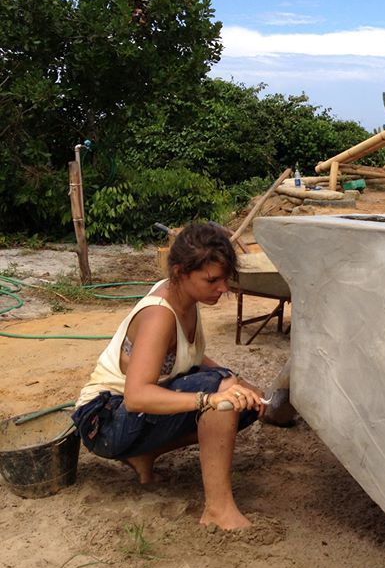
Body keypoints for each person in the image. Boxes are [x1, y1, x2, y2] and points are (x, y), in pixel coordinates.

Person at [71, 222, 266, 530]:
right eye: (212, 280)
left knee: (241, 400)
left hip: (124, 416)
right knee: (221, 393)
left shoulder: (185, 299)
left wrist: (239, 383)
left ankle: (145, 454)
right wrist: (210, 397)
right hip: (103, 420)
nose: (223, 288)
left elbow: (191, 358)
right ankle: (218, 509)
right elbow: (136, 397)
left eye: (224, 278)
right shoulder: (159, 315)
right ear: (180, 272)